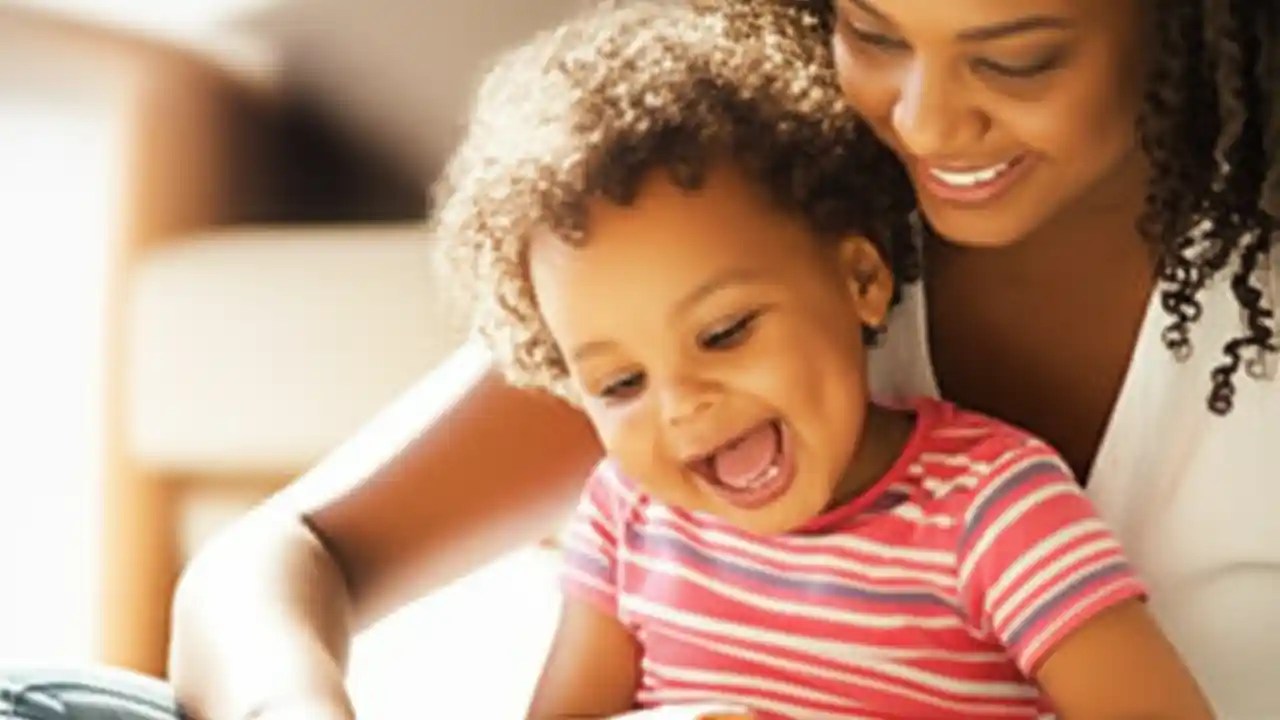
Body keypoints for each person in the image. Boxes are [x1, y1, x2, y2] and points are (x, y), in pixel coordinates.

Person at [160, 0, 1279, 718]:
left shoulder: (984, 482)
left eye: (1017, 60)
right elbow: (275, 558)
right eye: (874, 34)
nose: (927, 123)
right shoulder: (753, 242)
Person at [433, 3, 1212, 718]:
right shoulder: (628, 520)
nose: (682, 403)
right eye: (621, 383)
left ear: (862, 281)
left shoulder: (992, 510)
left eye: (726, 331)